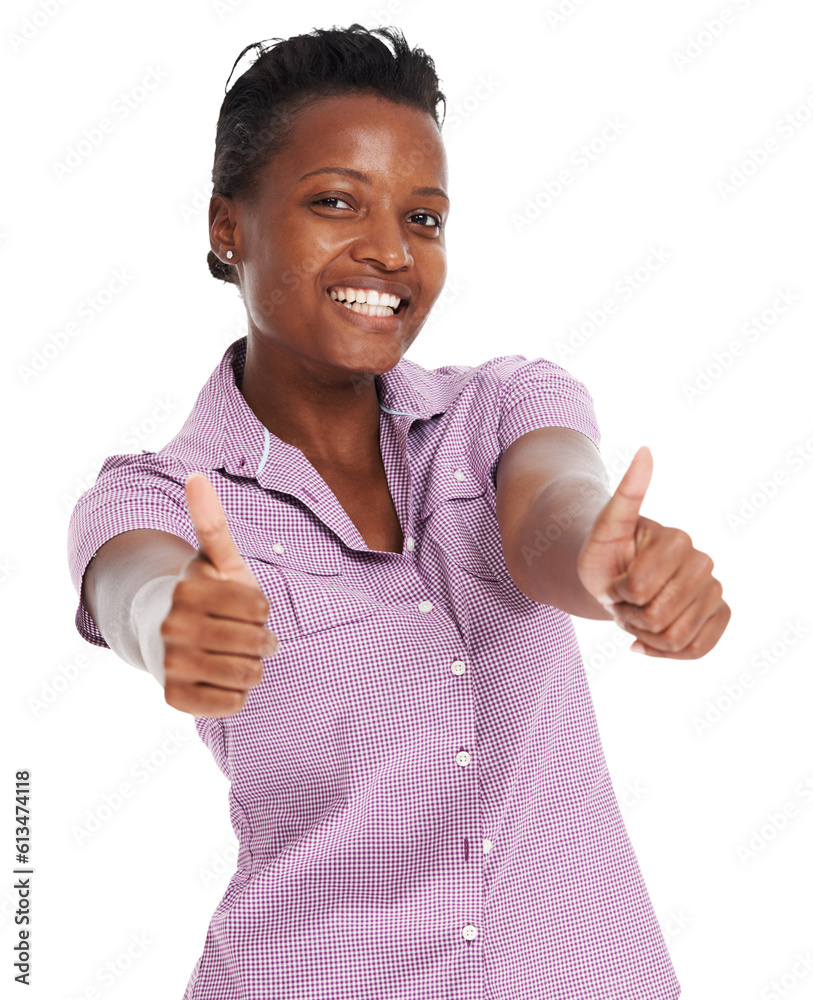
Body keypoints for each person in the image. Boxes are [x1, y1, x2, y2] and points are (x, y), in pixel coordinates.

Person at [67, 24, 730, 999]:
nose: (388, 250)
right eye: (335, 201)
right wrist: (174, 625)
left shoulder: (501, 408)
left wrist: (610, 558)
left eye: (424, 219)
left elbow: (553, 503)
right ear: (227, 226)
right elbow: (138, 584)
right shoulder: (158, 495)